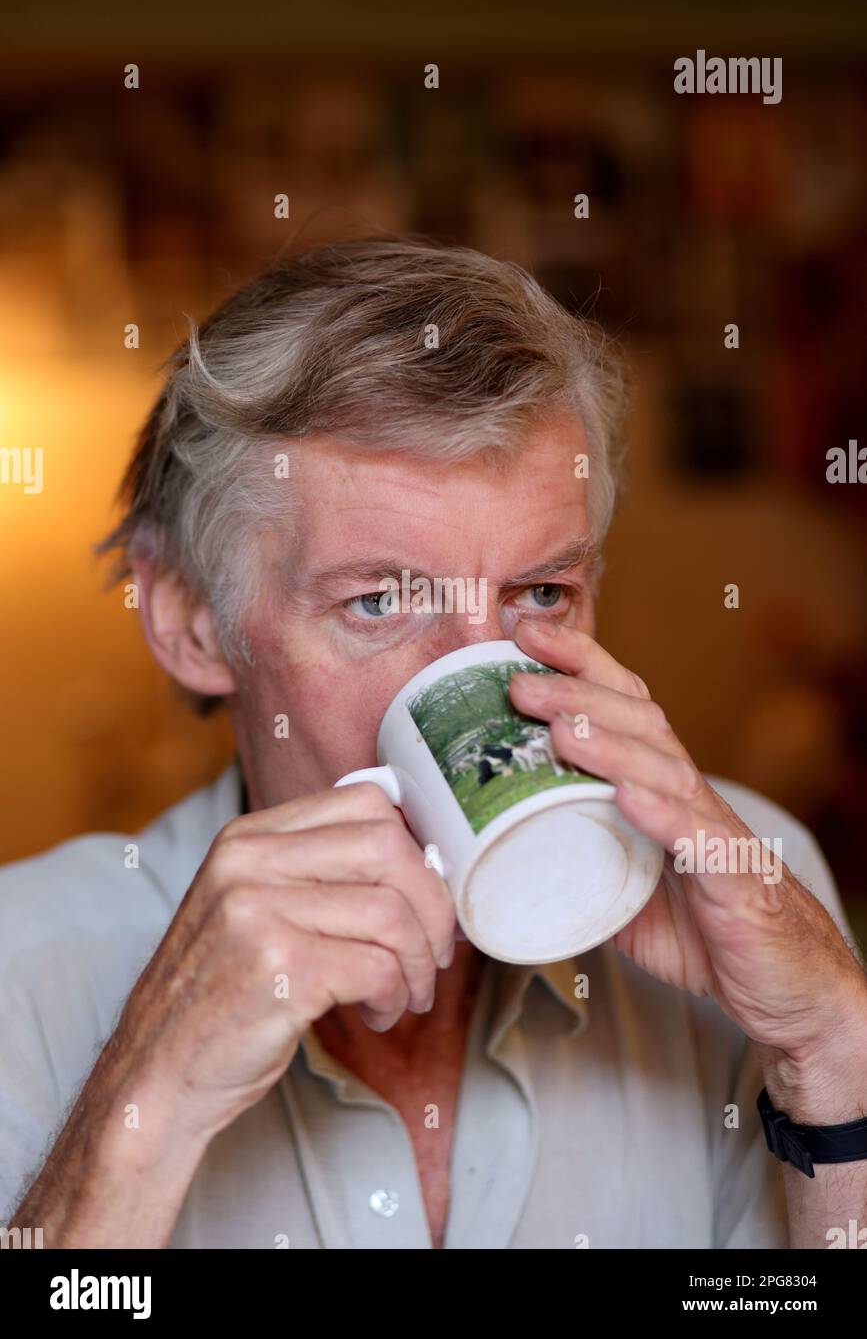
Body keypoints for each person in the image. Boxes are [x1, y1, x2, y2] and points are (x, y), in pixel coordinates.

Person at [2, 236, 865, 1250]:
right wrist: (148, 1105)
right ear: (190, 621)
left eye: (541, 592)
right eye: (379, 600)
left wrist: (835, 1046)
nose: (487, 679)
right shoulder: (28, 971)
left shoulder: (738, 881)